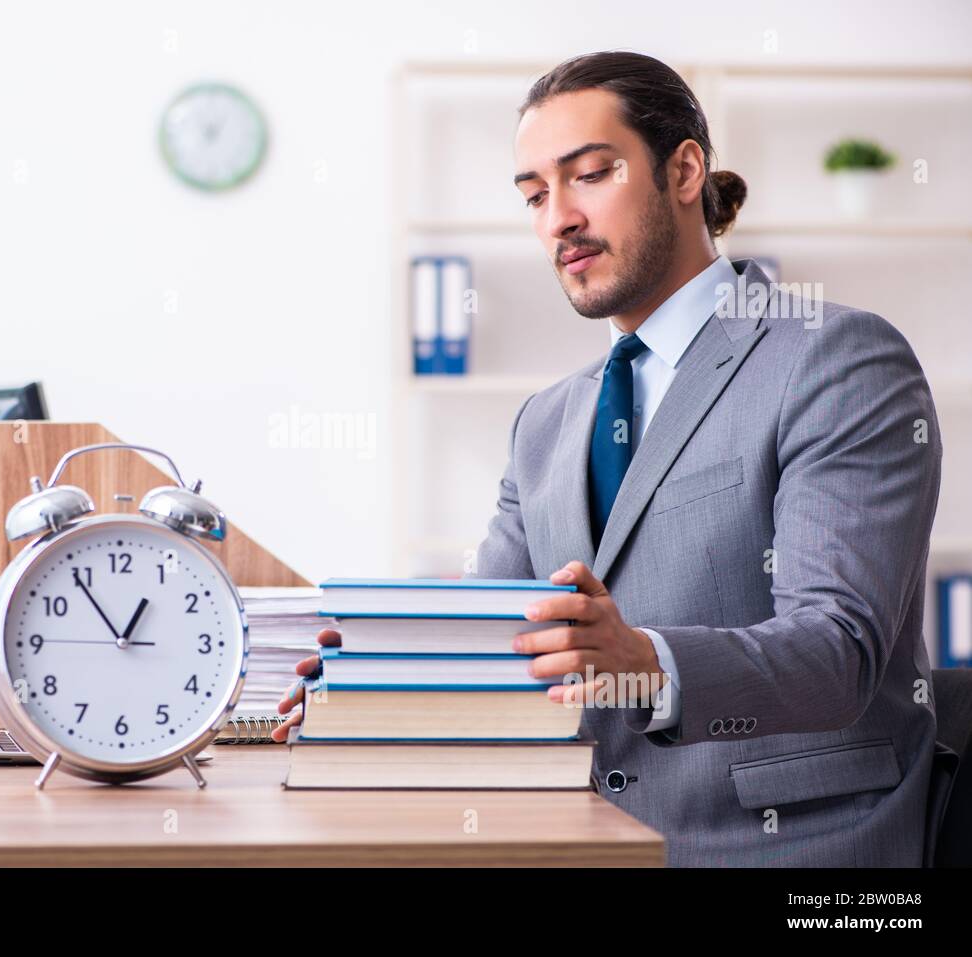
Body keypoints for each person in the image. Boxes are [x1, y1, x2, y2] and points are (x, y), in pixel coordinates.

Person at [274, 51, 942, 867]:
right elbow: (493, 634)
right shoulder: (547, 420)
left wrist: (645, 660)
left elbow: (838, 651)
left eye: (588, 174)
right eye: (533, 195)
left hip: (789, 851)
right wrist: (373, 683)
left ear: (685, 169)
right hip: (580, 842)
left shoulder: (835, 358)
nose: (557, 218)